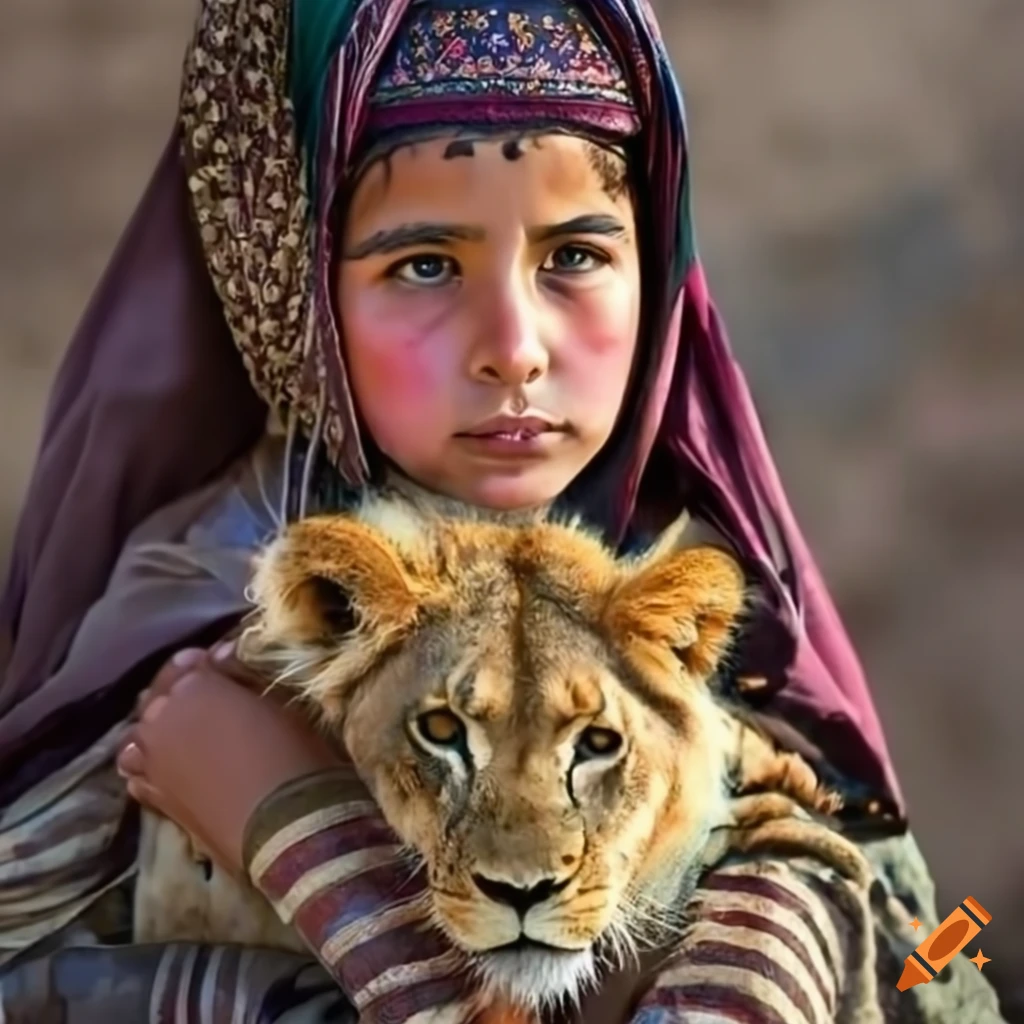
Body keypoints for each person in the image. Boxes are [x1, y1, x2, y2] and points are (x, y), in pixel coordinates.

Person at [0, 0, 1007, 1021]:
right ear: (287, 283)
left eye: (574, 255)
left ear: (654, 269)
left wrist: (296, 828)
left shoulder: (738, 665)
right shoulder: (174, 651)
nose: (513, 346)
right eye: (424, 264)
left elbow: (929, 977)